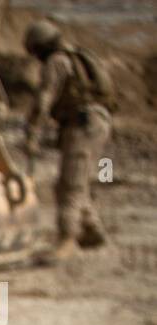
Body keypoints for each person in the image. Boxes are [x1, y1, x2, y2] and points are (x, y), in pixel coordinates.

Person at [24, 20, 116, 260]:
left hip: (82, 124)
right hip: (98, 122)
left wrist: (32, 131)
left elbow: (44, 98)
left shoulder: (56, 62)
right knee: (77, 180)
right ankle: (91, 228)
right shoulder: (77, 56)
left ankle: (66, 242)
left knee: (70, 186)